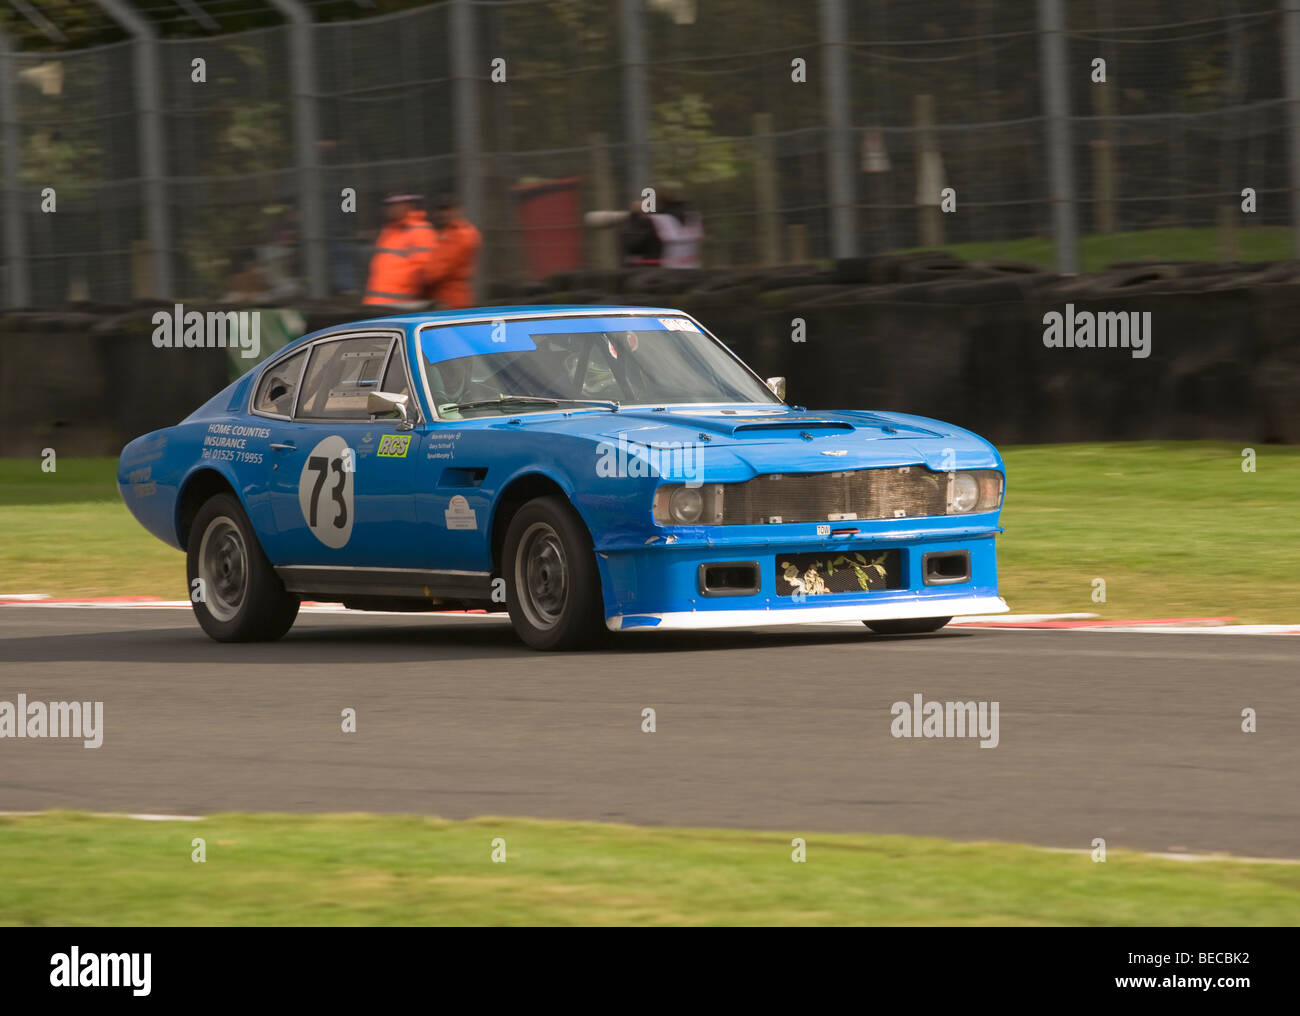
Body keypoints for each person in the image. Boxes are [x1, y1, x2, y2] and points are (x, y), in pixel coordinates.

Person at [363, 193, 439, 309]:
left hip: (399, 307)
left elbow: (425, 272)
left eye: (394, 204)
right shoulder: (389, 231)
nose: (390, 209)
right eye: (389, 205)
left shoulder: (421, 232)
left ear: (408, 206)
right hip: (376, 305)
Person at [427, 195, 482, 309]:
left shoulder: (460, 234)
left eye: (447, 209)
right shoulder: (443, 232)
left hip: (451, 301)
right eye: (440, 210)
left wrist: (416, 275)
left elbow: (436, 271)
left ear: (457, 210)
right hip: (442, 299)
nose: (443, 214)